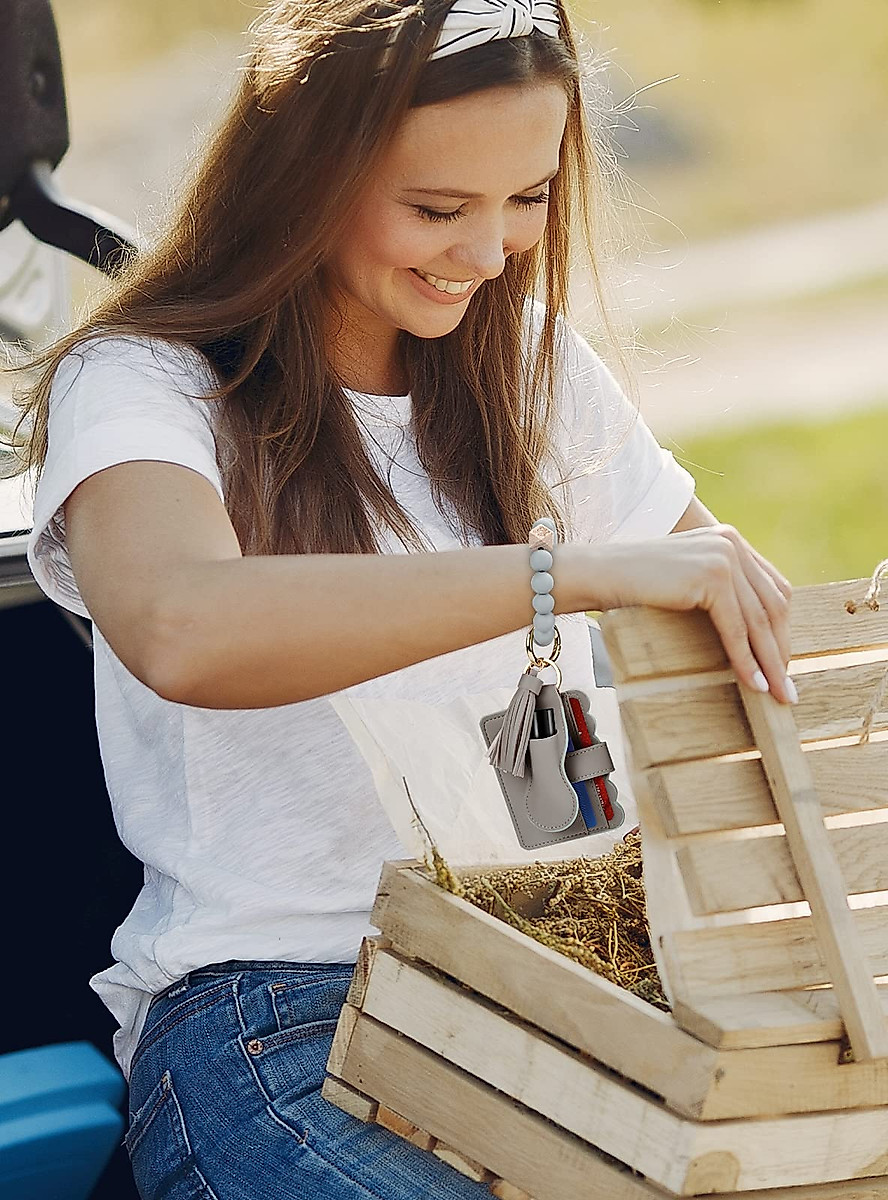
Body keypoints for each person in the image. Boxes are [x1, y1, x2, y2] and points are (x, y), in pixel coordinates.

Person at [12, 1, 797, 1196]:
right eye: (437, 209)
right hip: (286, 1021)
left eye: (528, 198)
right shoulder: (141, 383)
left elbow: (737, 630)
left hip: (573, 993)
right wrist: (558, 575)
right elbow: (180, 626)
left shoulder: (528, 363)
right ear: (304, 176)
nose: (488, 254)